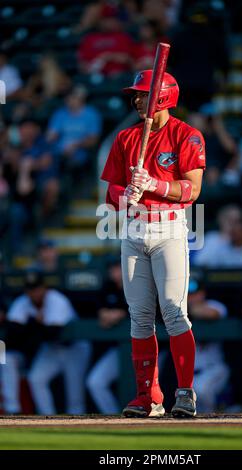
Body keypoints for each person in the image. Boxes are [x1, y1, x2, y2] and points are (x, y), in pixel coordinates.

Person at [101, 69, 206, 418]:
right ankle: (149, 396)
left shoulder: (187, 136)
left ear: (163, 97)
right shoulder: (126, 137)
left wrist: (155, 186)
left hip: (170, 231)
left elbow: (192, 190)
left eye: (144, 94)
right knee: (140, 318)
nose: (137, 99)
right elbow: (110, 193)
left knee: (176, 314)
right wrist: (126, 193)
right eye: (136, 94)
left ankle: (186, 392)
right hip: (133, 231)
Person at [1, 270, 91, 415]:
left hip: (74, 348)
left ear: (44, 288)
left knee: (75, 396)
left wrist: (31, 325)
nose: (34, 292)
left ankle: (77, 429)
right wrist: (35, 326)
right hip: (51, 349)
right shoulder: (23, 301)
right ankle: (47, 417)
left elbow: (52, 332)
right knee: (36, 378)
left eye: (37, 288)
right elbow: (12, 331)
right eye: (30, 289)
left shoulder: (57, 300)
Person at [86, 260, 128, 414]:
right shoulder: (107, 287)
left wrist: (122, 313)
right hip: (120, 349)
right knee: (95, 382)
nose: (115, 272)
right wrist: (109, 315)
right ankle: (112, 417)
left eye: (118, 267)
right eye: (113, 269)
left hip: (151, 348)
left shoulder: (140, 283)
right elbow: (100, 314)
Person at [188, 280, 230, 413]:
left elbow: (212, 313)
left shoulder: (214, 305)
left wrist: (188, 310)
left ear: (203, 294)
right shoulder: (179, 310)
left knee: (201, 389)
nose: (192, 297)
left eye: (195, 294)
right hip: (191, 372)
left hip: (215, 368)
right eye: (189, 294)